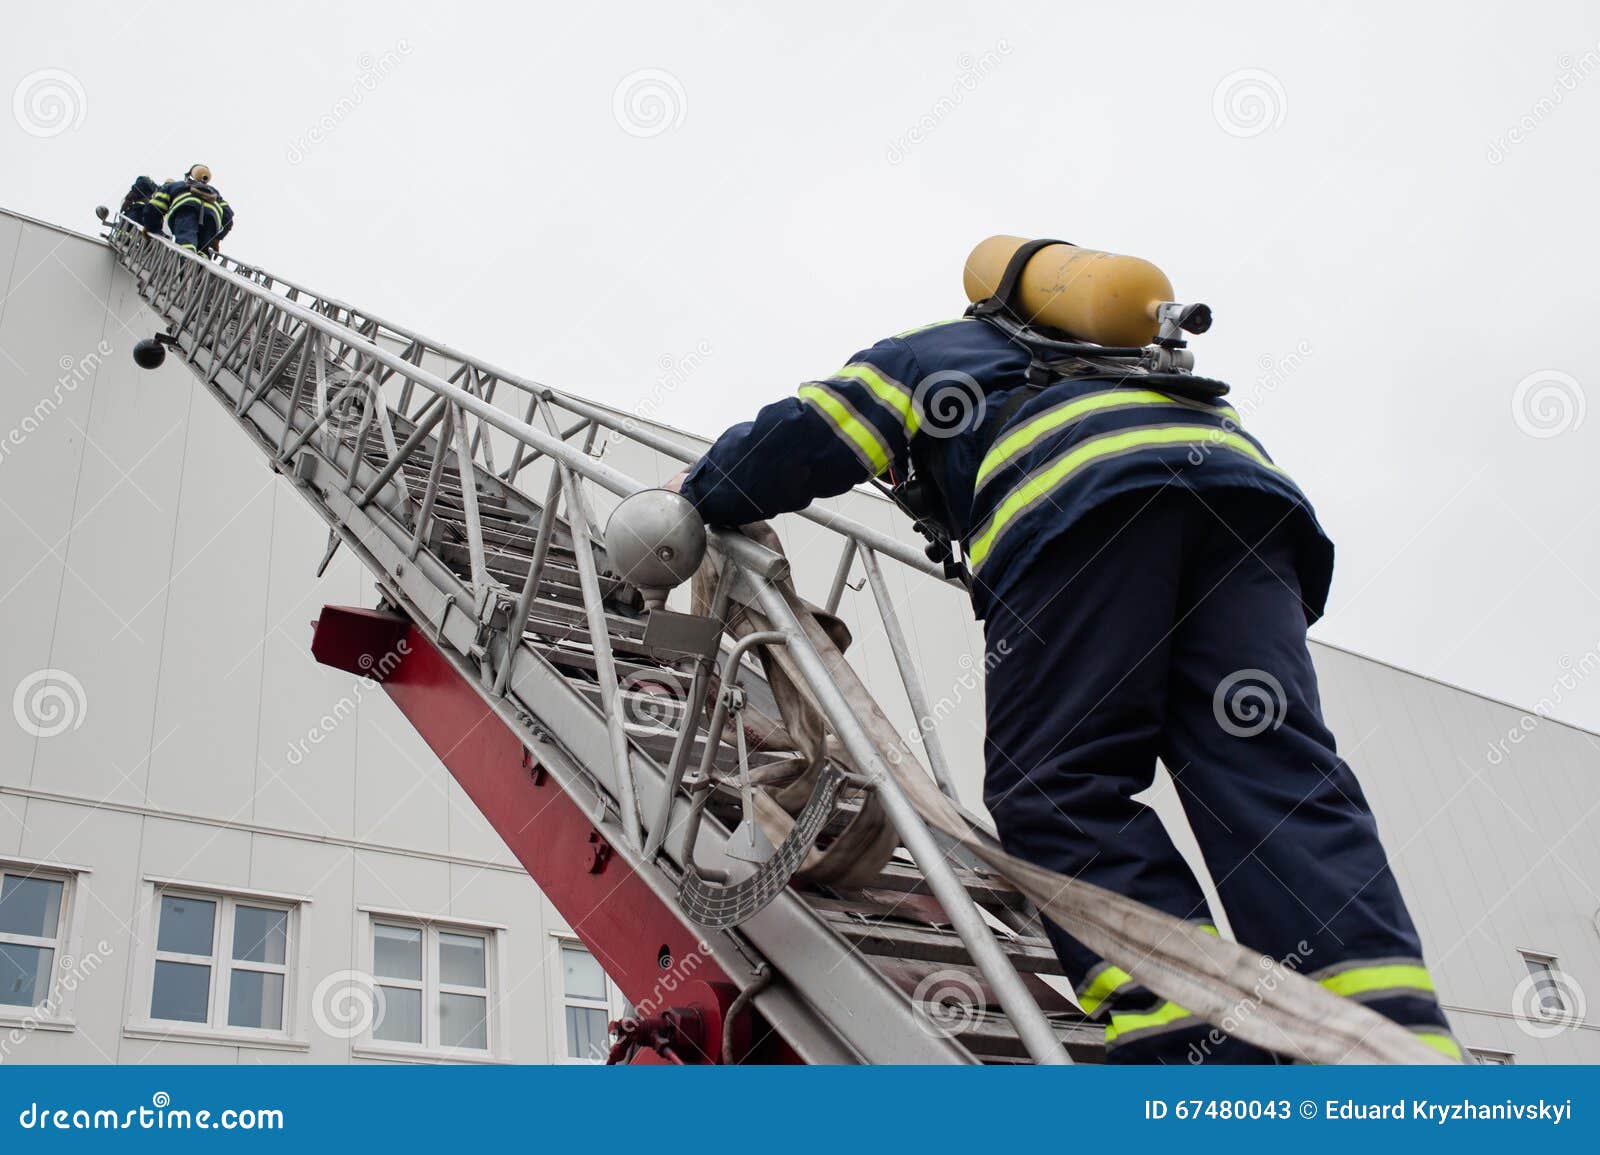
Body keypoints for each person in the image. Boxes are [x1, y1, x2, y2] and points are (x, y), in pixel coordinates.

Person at [671, 243, 1459, 1064]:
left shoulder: (940, 350)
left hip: (1085, 516)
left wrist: (696, 494)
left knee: (1058, 787)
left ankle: (1192, 1049)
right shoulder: (1137, 363)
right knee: (1273, 770)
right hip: (1250, 519)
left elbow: (811, 434)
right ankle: (1390, 1045)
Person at [150, 164, 234, 255]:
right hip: (212, 218)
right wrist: (217, 238)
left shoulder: (180, 185)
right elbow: (228, 215)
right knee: (204, 248)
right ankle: (200, 267)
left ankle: (187, 262)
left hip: (187, 210)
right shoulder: (215, 192)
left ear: (190, 175)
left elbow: (155, 206)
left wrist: (150, 226)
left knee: (186, 239)